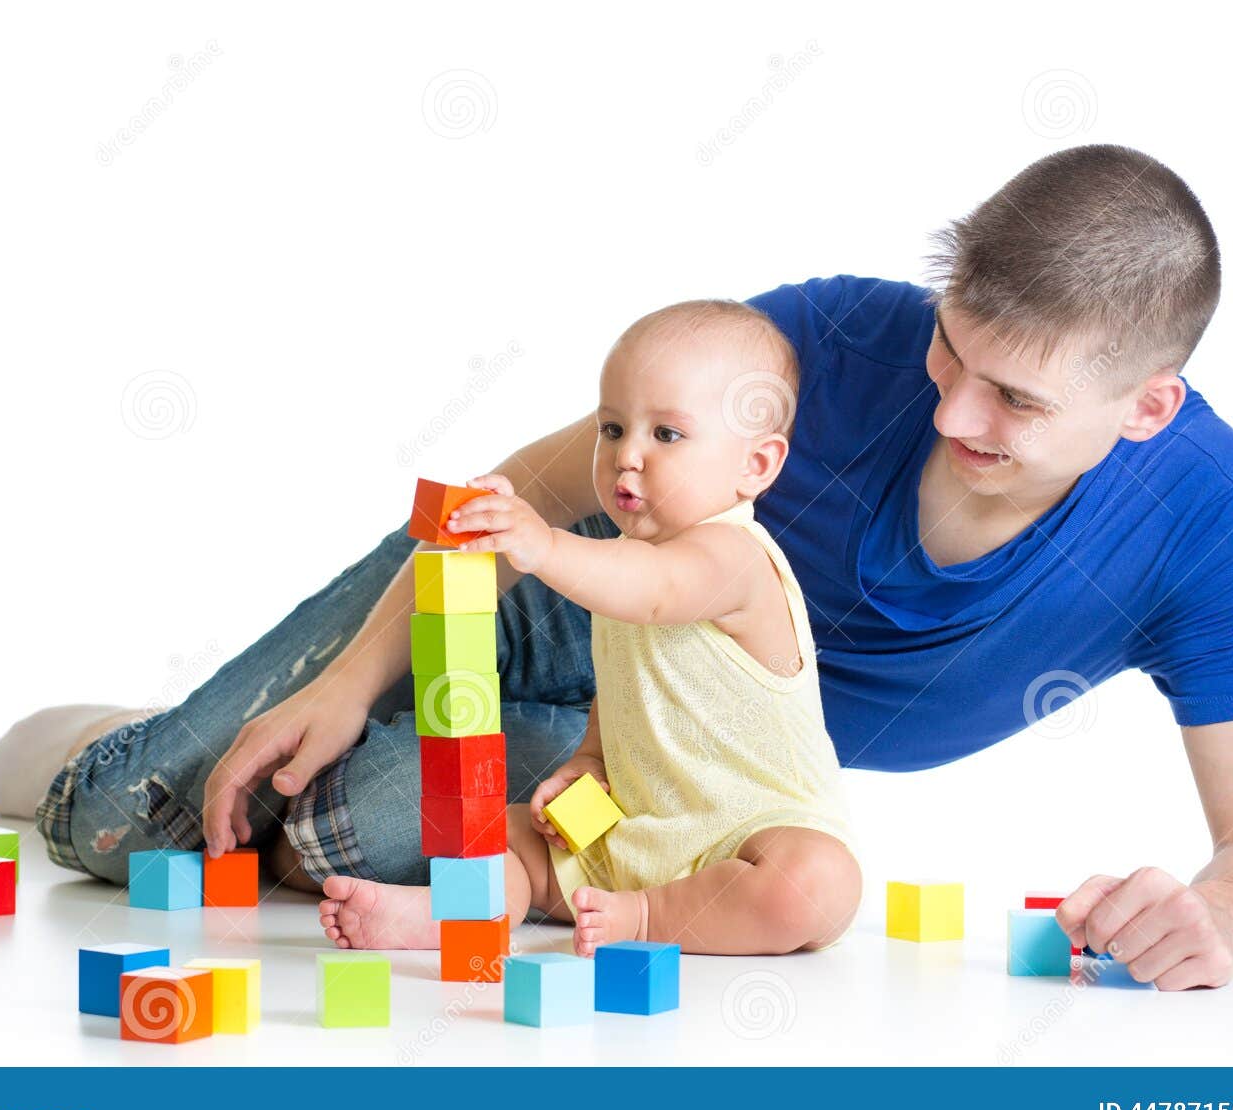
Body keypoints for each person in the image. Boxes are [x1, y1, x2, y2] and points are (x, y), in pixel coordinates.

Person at [0, 144, 1233, 990]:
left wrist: (1215, 915)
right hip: (560, 607)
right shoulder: (827, 344)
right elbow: (529, 493)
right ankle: (126, 744)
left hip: (662, 764)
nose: (953, 409)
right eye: (951, 350)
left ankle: (298, 775)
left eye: (1015, 402)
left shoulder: (1205, 517)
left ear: (1146, 407)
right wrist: (346, 678)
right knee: (121, 823)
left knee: (358, 831)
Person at [317, 300, 859, 957]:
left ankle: (649, 917)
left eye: (667, 434)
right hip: (633, 834)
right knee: (508, 831)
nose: (628, 454)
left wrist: (542, 543)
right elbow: (627, 689)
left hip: (748, 836)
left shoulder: (733, 557)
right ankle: (455, 915)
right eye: (612, 428)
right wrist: (589, 761)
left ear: (756, 465)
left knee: (816, 880)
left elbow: (656, 589)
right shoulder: (622, 567)